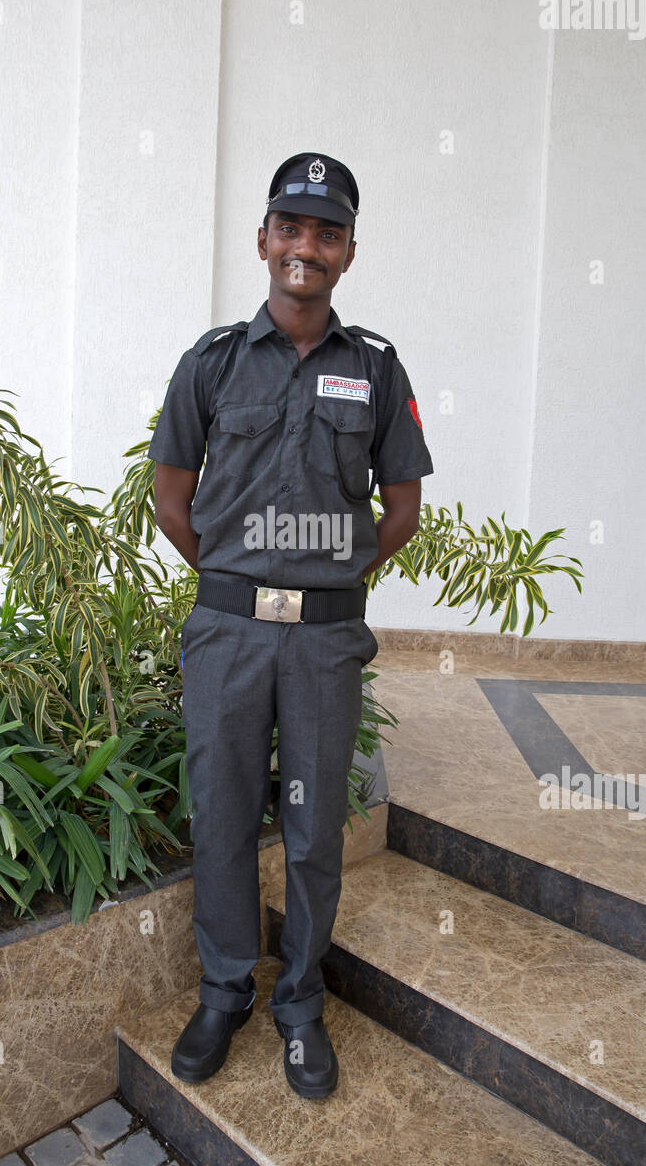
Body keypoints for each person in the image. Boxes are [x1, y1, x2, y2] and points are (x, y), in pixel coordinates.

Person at [147, 152, 434, 1098]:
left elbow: (400, 510)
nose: (305, 247)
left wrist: (330, 585)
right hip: (228, 635)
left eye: (327, 232)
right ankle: (224, 991)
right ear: (264, 239)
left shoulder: (376, 371)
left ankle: (300, 1004)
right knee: (224, 817)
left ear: (349, 252)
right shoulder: (213, 361)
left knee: (311, 834)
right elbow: (171, 495)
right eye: (290, 228)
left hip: (322, 645)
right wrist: (234, 582)